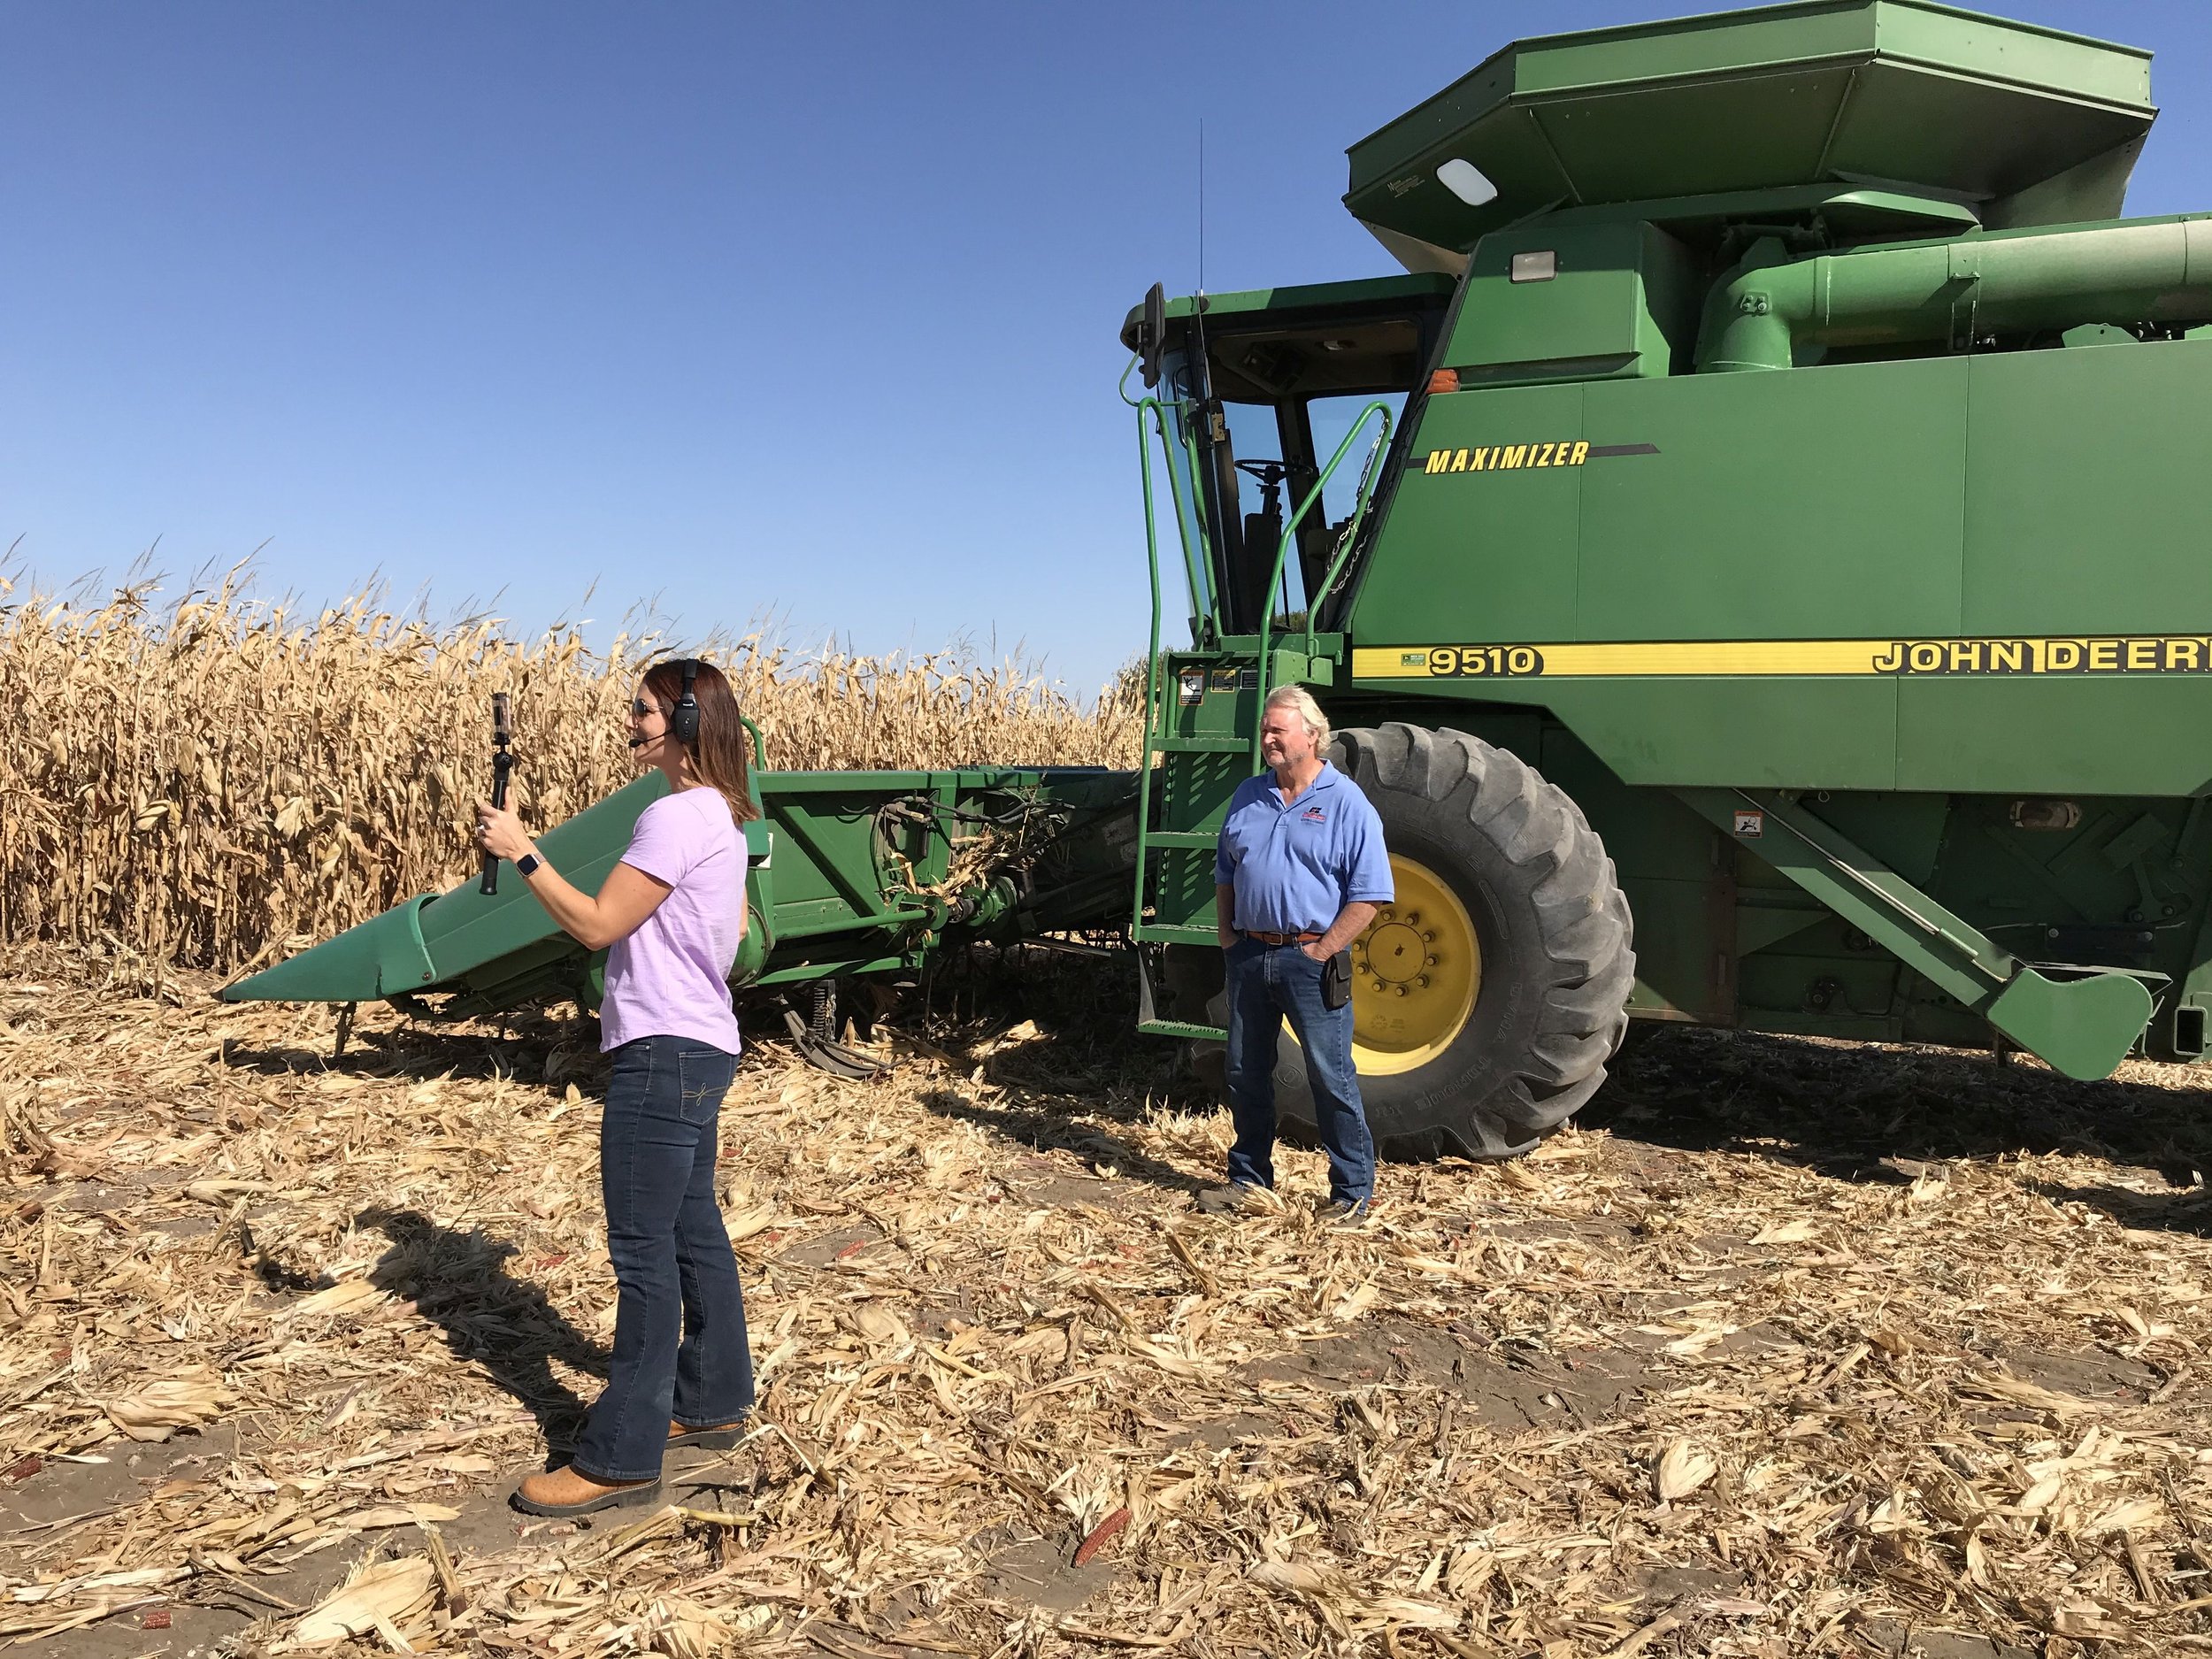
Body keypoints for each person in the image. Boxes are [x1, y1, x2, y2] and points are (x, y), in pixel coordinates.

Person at [474, 657, 760, 1517]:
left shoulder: (672, 816)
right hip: (703, 1046)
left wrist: (524, 853)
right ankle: (709, 1399)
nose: (627, 721)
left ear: (680, 722)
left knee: (643, 1255)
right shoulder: (724, 818)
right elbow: (726, 941)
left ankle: (621, 1456)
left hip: (661, 1054)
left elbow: (598, 924)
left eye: (639, 711)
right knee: (690, 1229)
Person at [1201, 685, 1393, 1225]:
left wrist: (1322, 950)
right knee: (1245, 1073)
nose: (1267, 739)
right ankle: (1248, 1181)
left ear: (1312, 735)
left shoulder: (1346, 802)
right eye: (1264, 730)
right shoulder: (1248, 795)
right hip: (1249, 956)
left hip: (1310, 963)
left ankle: (1352, 1192)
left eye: (1277, 730)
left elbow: (1372, 894)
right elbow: (1225, 873)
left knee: (1330, 1076)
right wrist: (1227, 936)